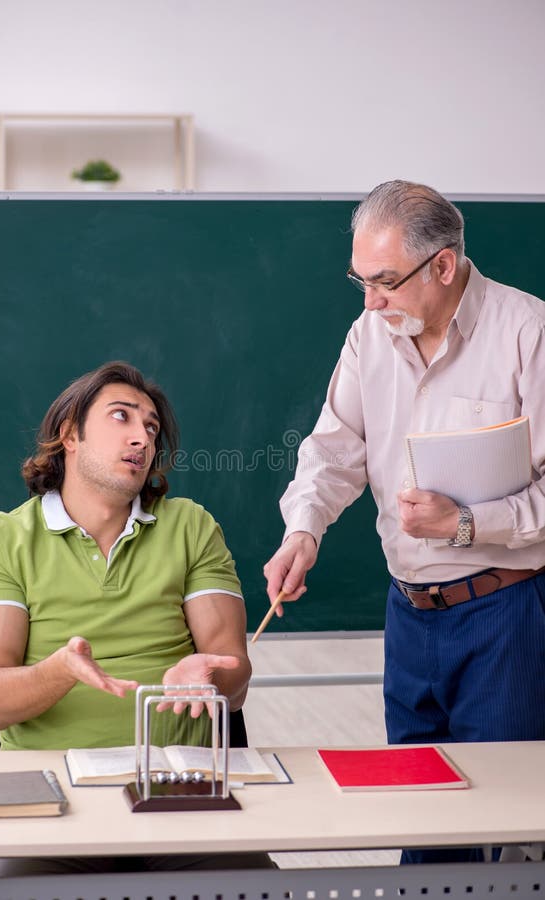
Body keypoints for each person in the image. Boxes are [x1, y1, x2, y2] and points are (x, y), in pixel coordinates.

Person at [263, 180, 545, 864]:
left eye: (384, 281)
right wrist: (303, 530)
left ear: (443, 265)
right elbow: (332, 451)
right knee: (418, 820)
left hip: (505, 614)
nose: (370, 301)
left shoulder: (527, 332)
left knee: (501, 832)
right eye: (360, 281)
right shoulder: (370, 334)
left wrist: (467, 522)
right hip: (409, 615)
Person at [0, 360, 270, 874]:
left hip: (182, 794)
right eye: (121, 416)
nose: (142, 437)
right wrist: (60, 670)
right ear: (69, 435)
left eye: (151, 427)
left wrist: (211, 676)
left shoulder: (191, 526)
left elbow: (234, 679)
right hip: (53, 801)